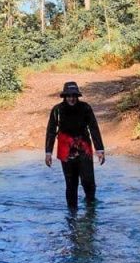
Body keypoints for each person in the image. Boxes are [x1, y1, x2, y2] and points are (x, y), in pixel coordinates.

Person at [45, 81, 105, 209]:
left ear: (77, 96)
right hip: (65, 150)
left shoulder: (86, 108)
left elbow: (93, 128)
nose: (71, 98)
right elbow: (51, 131)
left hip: (84, 148)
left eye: (74, 96)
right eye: (69, 96)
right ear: (65, 97)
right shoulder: (57, 110)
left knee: (88, 181)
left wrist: (100, 149)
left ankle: (91, 207)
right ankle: (72, 215)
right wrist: (48, 153)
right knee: (71, 184)